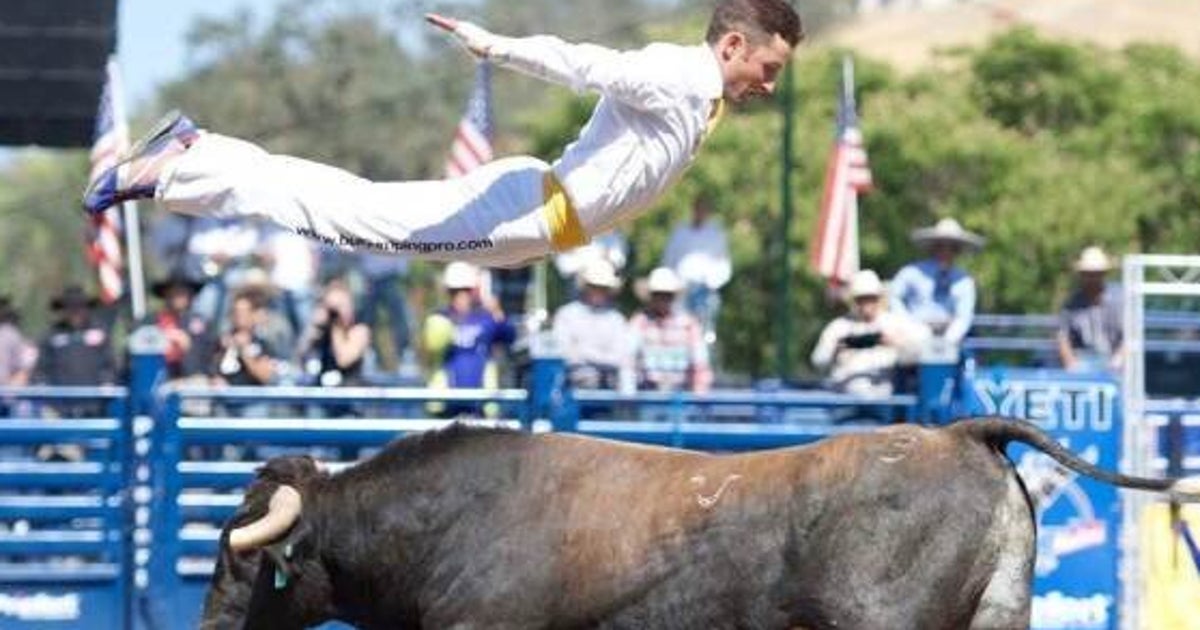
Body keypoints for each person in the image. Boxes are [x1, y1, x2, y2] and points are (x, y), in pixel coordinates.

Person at [83, 0, 803, 267]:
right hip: (528, 214)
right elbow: (590, 64)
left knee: (359, 211)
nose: (768, 85)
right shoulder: (679, 74)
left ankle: (195, 155)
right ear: (733, 45)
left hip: (536, 226)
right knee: (354, 219)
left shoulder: (702, 91)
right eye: (767, 68)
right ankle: (183, 163)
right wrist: (497, 47)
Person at [810, 270, 929, 399]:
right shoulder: (839, 327)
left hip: (886, 397)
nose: (866, 304)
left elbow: (924, 351)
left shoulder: (896, 323)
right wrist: (837, 349)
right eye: (861, 299)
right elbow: (818, 361)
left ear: (880, 298)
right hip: (845, 396)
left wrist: (896, 343)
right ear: (853, 300)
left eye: (871, 298)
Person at [423, 262, 516, 416]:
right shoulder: (440, 319)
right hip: (446, 403)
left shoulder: (486, 318)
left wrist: (497, 312)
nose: (460, 296)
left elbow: (509, 336)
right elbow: (430, 348)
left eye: (464, 291)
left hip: (481, 404)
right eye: (455, 292)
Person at [889, 217, 983, 353]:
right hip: (914, 335)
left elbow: (964, 316)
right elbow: (894, 296)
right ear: (933, 247)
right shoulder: (912, 272)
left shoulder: (964, 281)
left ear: (958, 250)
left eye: (952, 247)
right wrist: (907, 323)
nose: (946, 251)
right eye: (941, 246)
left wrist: (949, 340)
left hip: (950, 338)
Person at [629, 267, 713, 394]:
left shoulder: (688, 325)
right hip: (647, 394)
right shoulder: (640, 322)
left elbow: (700, 363)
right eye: (658, 295)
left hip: (680, 395)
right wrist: (629, 395)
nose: (662, 299)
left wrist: (699, 394)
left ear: (673, 297)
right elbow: (628, 359)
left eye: (667, 295)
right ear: (651, 296)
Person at [552, 260, 632, 390]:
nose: (598, 291)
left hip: (611, 383)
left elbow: (621, 356)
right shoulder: (567, 314)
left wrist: (586, 355)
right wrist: (597, 359)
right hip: (574, 383)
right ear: (586, 287)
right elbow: (564, 353)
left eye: (603, 288)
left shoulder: (616, 319)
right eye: (594, 286)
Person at [661, 195, 731, 343]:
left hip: (705, 291)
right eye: (698, 208)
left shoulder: (715, 234)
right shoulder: (680, 232)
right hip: (681, 290)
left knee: (705, 335)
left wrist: (711, 283)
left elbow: (724, 264)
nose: (700, 212)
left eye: (704, 209)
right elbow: (668, 260)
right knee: (679, 330)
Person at [1057, 246, 1124, 373]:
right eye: (1088, 274)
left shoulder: (1119, 300)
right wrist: (1071, 364)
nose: (1092, 279)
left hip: (1113, 358)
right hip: (1083, 360)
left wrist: (1119, 359)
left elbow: (1129, 337)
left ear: (1104, 274)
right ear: (1082, 275)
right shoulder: (1072, 304)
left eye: (1096, 274)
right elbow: (1063, 337)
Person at [299, 280, 372, 388]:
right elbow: (301, 358)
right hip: (321, 390)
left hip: (349, 390)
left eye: (341, 305)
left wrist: (336, 328)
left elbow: (343, 360)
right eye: (332, 307)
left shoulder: (359, 331)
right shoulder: (321, 331)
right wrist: (314, 327)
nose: (336, 312)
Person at [147, 271, 214, 381]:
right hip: (157, 377)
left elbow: (207, 361)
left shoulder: (201, 324)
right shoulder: (151, 322)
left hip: (190, 380)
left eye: (182, 293)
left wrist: (187, 346)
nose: (177, 297)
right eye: (173, 293)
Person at [358, 252, 412, 371]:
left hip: (391, 276)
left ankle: (404, 354)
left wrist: (402, 270)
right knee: (366, 319)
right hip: (369, 277)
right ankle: (367, 353)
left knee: (399, 319)